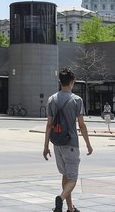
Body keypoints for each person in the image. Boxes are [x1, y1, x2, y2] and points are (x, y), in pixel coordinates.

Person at [43, 67, 93, 212]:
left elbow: (49, 124)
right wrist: (88, 144)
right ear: (72, 82)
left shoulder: (51, 99)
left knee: (65, 175)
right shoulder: (76, 100)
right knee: (72, 179)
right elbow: (81, 125)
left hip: (57, 143)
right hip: (71, 143)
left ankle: (70, 208)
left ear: (60, 82)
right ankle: (61, 198)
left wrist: (45, 146)